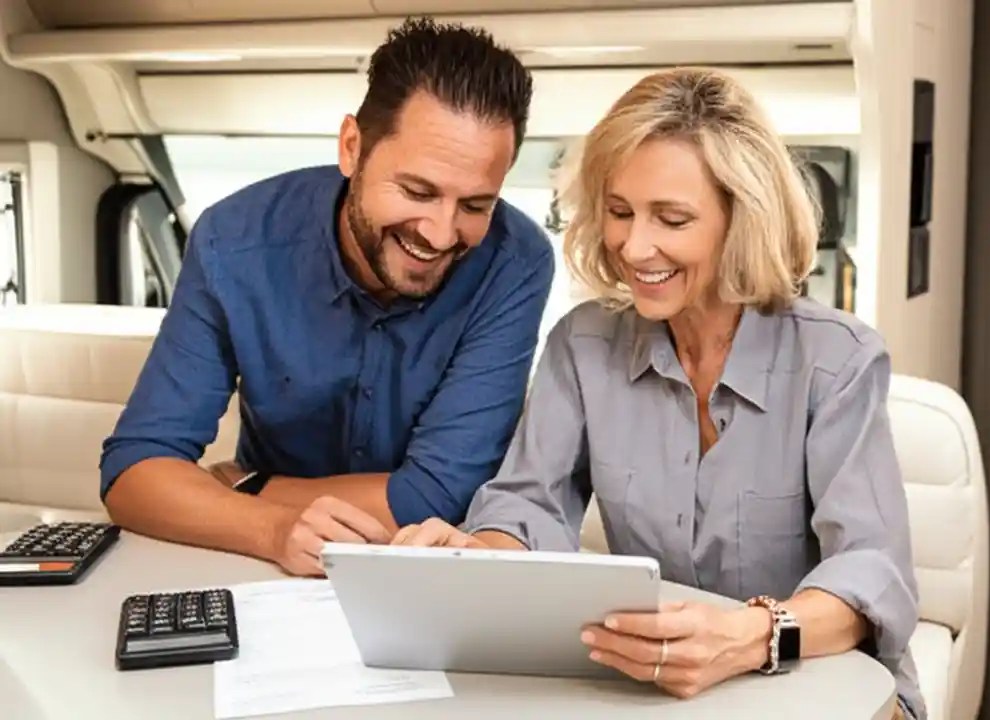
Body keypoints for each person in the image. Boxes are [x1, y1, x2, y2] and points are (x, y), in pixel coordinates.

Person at [392, 68, 925, 719]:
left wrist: (746, 638)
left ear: (742, 218)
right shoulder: (582, 347)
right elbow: (528, 506)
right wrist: (477, 558)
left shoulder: (836, 361)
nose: (634, 246)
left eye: (670, 219)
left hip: (827, 690)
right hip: (665, 694)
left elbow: (871, 572)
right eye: (619, 212)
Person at [99, 18, 554, 577]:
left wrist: (249, 487)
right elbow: (134, 471)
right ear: (351, 148)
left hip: (428, 573)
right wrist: (273, 530)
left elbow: (435, 494)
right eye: (417, 191)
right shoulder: (232, 242)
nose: (439, 233)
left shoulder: (516, 261)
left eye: (476, 206)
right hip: (260, 561)